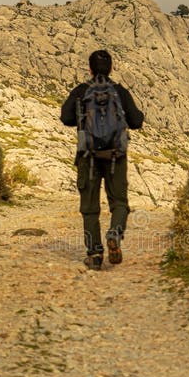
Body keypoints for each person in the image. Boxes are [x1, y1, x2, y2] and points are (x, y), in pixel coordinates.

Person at [61, 49, 144, 269]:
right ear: (111, 68)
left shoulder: (81, 91)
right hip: (116, 156)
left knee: (89, 208)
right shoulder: (120, 92)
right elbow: (136, 121)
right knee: (119, 203)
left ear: (89, 69)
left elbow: (65, 117)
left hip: (88, 157)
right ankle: (114, 234)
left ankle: (95, 254)